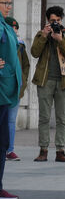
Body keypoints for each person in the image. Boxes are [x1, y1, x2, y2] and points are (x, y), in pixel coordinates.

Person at [30, 5, 65, 163]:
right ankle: (43, 150)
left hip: (64, 81)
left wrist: (60, 41)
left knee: (62, 118)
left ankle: (60, 150)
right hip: (45, 80)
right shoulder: (42, 34)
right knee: (44, 117)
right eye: (52, 21)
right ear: (47, 21)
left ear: (61, 20)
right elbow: (34, 53)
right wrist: (44, 36)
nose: (55, 23)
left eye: (57, 20)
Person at [0, 0, 21, 198]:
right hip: (1, 92)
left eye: (10, 3)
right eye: (5, 3)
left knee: (3, 143)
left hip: (5, 92)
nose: (8, 7)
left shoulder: (4, 25)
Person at [4, 17, 28, 162]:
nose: (14, 31)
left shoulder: (20, 45)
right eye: (11, 28)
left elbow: (26, 65)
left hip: (15, 89)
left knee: (11, 121)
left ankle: (9, 150)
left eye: (16, 28)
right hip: (3, 88)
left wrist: (22, 82)